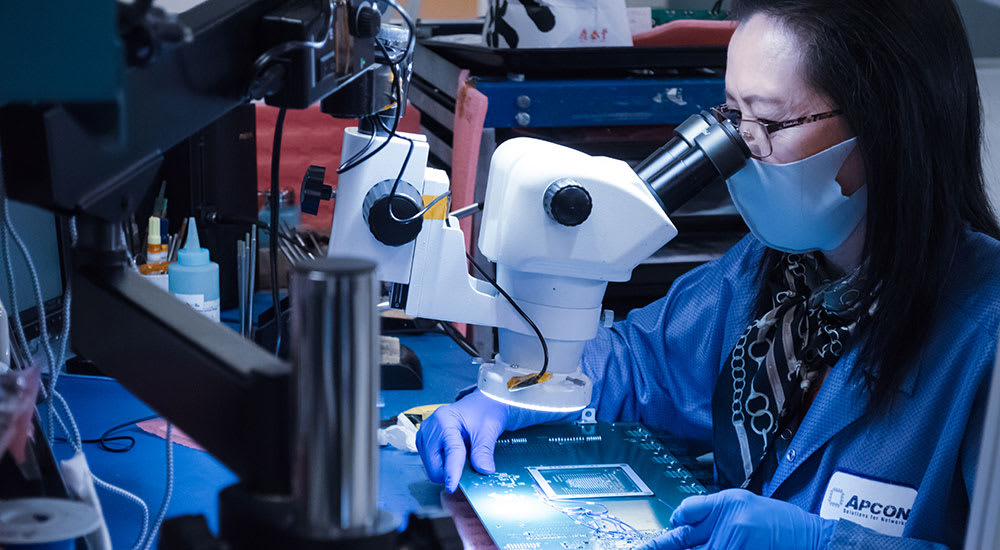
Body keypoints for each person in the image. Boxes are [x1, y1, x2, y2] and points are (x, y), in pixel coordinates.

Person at [416, 0, 1000, 548]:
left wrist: (823, 542)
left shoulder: (985, 332)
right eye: (731, 116)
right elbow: (635, 363)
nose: (740, 149)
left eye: (767, 123)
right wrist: (521, 390)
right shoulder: (767, 277)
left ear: (885, 126)